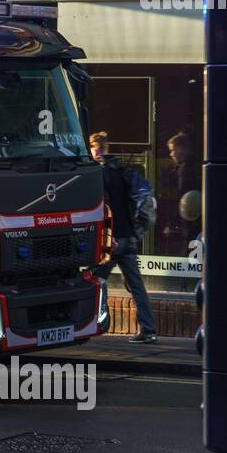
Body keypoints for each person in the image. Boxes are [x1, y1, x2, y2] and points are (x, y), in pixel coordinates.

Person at [89, 131, 158, 344]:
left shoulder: (100, 174)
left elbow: (106, 208)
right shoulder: (124, 169)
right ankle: (148, 330)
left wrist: (109, 237)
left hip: (113, 240)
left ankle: (90, 324)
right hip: (129, 237)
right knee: (136, 285)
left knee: (94, 281)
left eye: (92, 148)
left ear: (96, 149)